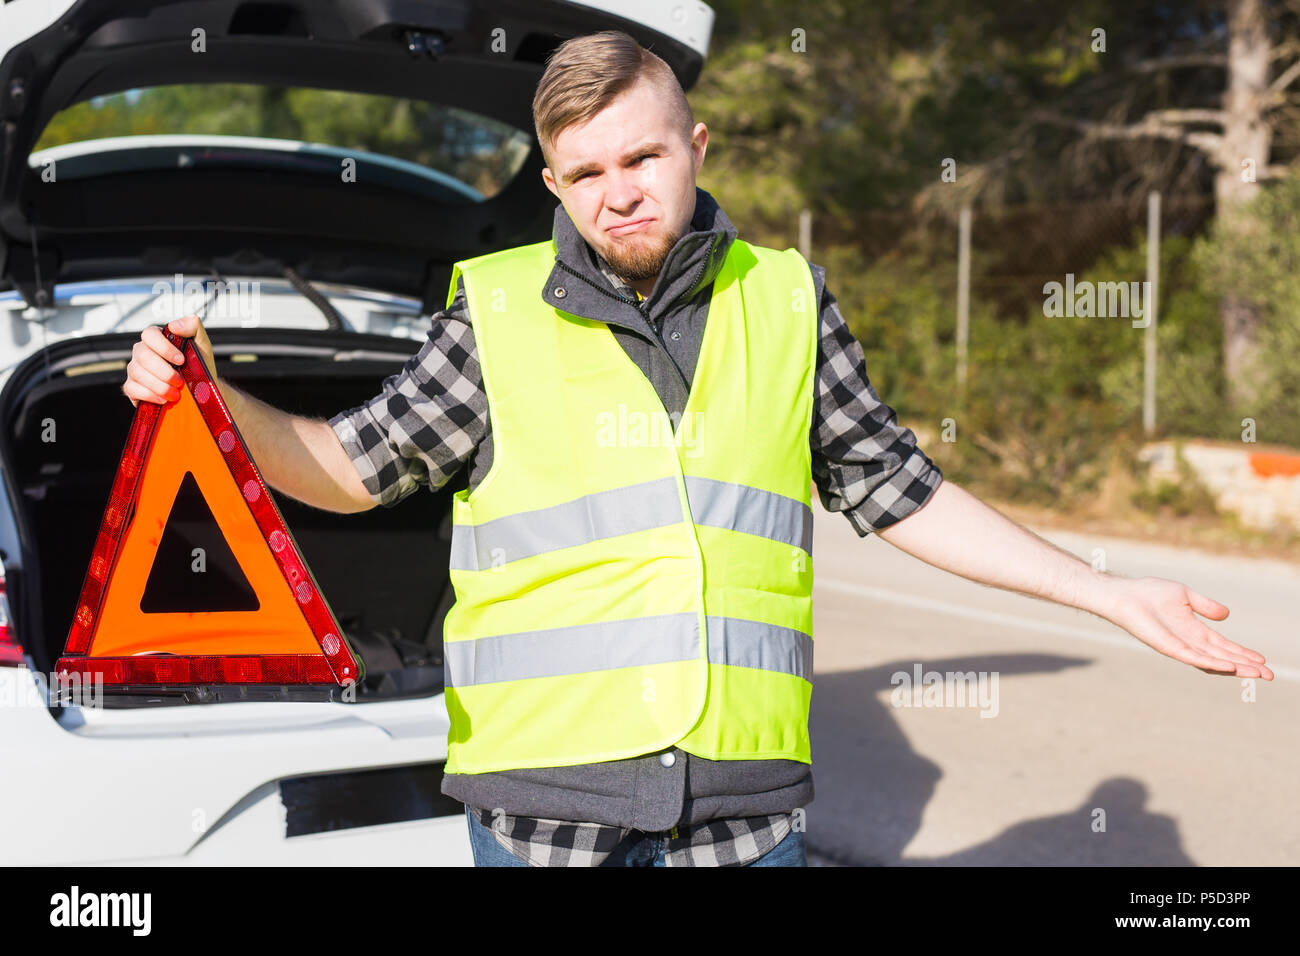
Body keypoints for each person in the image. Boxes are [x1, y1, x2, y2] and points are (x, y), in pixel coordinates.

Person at [122, 30, 1274, 868]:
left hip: (743, 819)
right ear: (554, 185)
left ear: (695, 144)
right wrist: (217, 395)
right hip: (543, 824)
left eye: (642, 158)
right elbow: (342, 465)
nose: (617, 194)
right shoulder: (495, 316)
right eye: (584, 174)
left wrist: (1108, 593)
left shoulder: (785, 301)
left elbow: (899, 489)